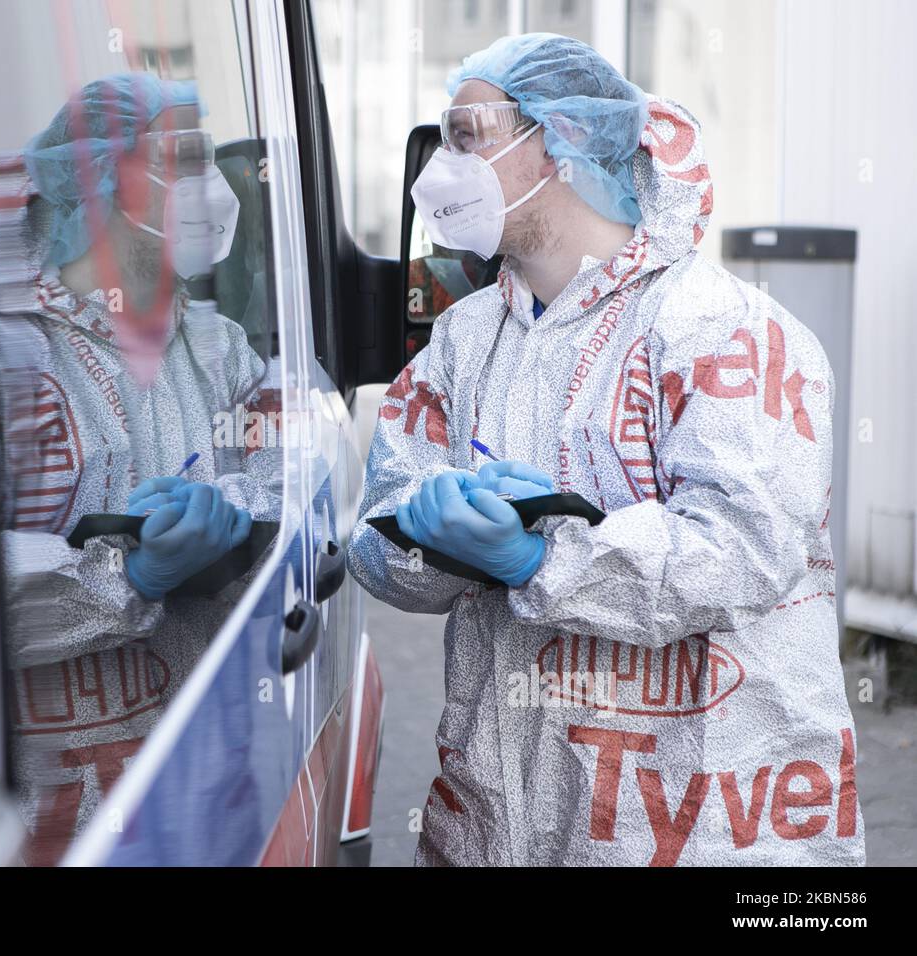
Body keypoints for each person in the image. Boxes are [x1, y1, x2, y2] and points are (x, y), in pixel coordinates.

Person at [348, 34, 863, 866]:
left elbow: (743, 553)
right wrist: (432, 539)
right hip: (495, 826)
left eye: (465, 135)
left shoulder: (726, 330)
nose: (440, 169)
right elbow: (375, 546)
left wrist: (534, 556)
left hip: (700, 827)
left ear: (563, 141)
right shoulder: (461, 339)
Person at [0, 73, 279, 864]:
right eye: (180, 161)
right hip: (48, 824)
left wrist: (235, 522)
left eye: (209, 161)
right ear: (97, 180)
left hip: (197, 799)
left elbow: (291, 480)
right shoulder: (2, 361)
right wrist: (123, 575)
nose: (211, 190)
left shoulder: (216, 350)